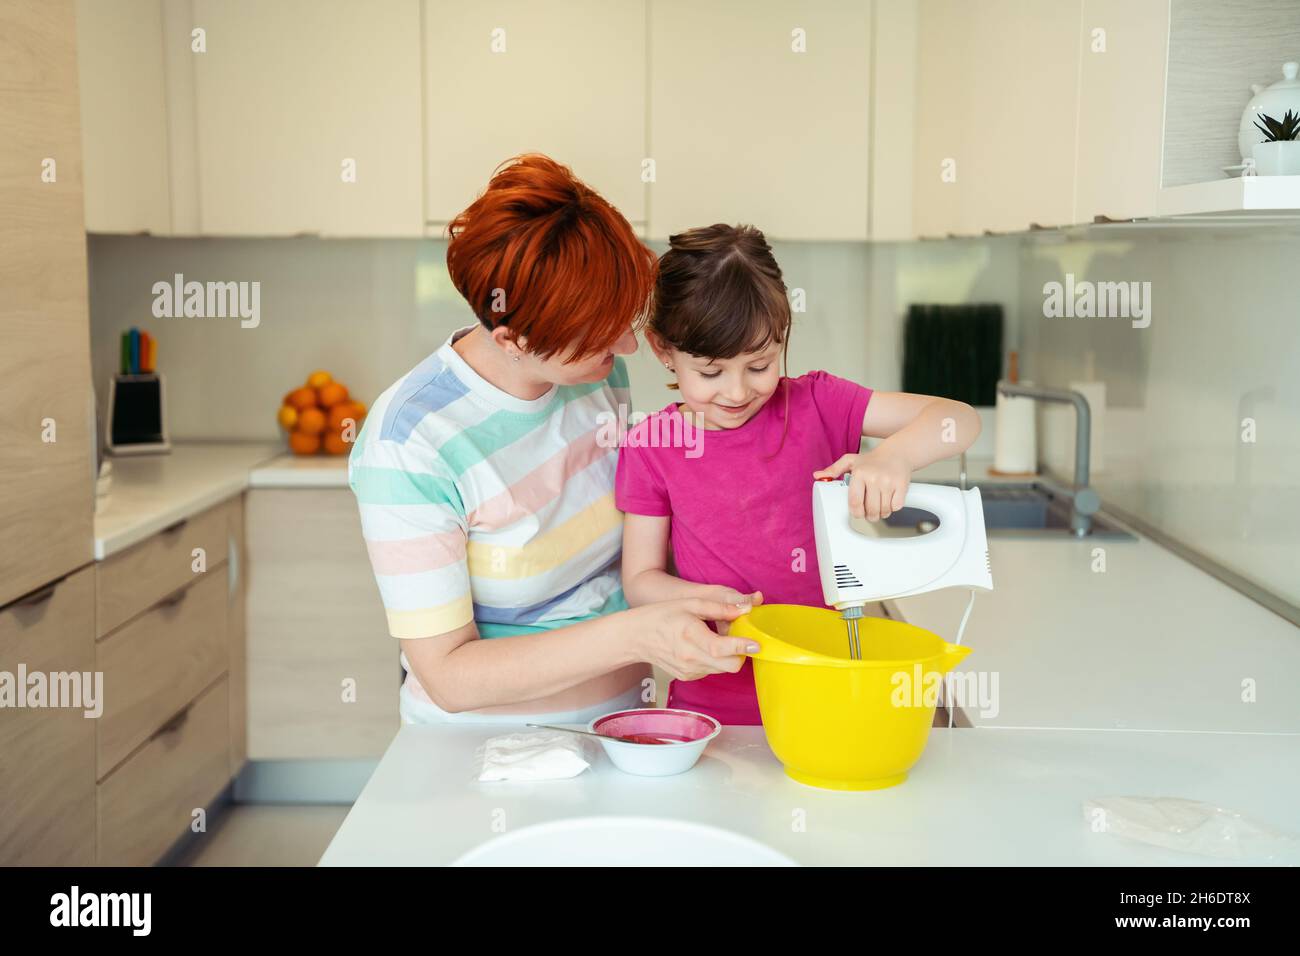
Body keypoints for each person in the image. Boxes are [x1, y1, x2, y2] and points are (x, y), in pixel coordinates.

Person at [349, 156, 758, 724]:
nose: (627, 348)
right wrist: (636, 637)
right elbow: (448, 676)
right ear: (513, 339)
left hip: (627, 720)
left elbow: (631, 537)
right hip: (491, 747)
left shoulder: (594, 373)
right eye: (600, 336)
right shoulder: (410, 443)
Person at [616, 224, 982, 725]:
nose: (737, 391)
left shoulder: (820, 405)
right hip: (709, 707)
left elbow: (957, 419)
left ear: (782, 338)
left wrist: (894, 456)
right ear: (663, 350)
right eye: (710, 372)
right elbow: (640, 579)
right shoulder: (650, 447)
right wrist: (701, 600)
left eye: (760, 364)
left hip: (826, 698)